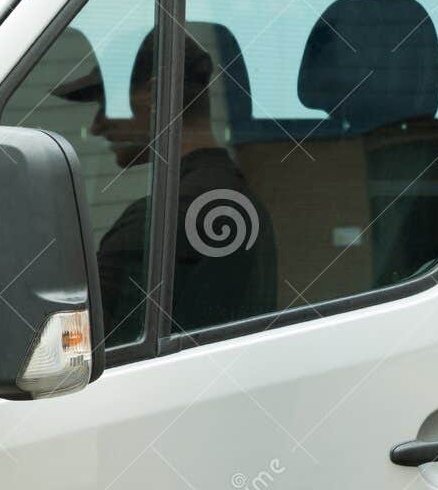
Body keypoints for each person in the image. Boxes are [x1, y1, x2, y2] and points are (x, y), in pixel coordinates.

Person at [57, 26, 277, 345]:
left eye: (107, 102)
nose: (96, 126)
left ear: (159, 96)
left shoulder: (160, 221)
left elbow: (77, 350)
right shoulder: (234, 196)